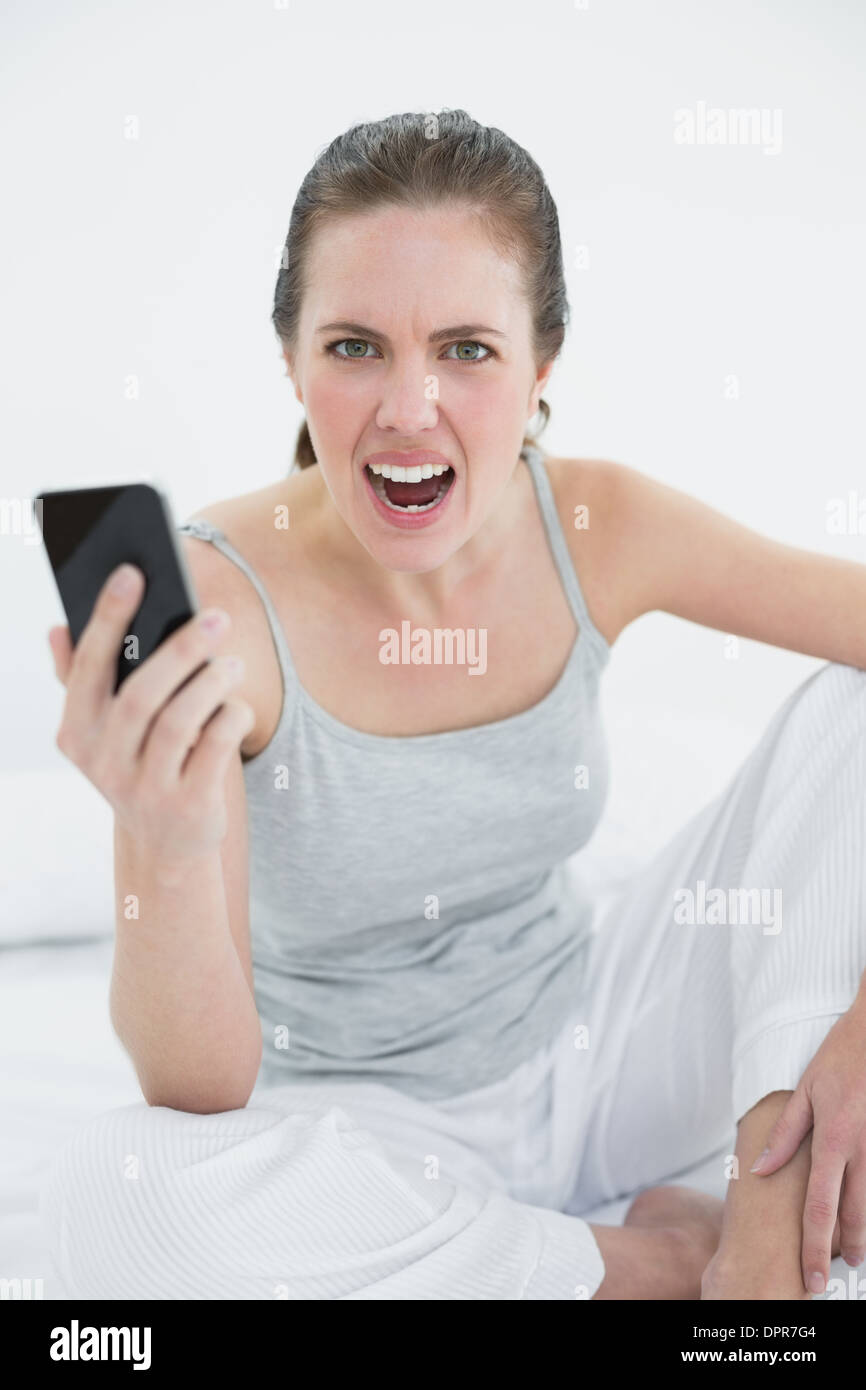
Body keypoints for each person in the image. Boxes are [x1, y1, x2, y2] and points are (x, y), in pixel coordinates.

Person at [41, 109, 866, 1300]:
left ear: (543, 366)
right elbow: (201, 1092)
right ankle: (651, 1263)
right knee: (118, 1195)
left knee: (847, 708)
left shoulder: (598, 526)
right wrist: (169, 847)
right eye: (355, 346)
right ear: (291, 359)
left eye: (468, 349)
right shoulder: (218, 604)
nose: (409, 406)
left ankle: (766, 1205)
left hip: (599, 1045)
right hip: (369, 1128)